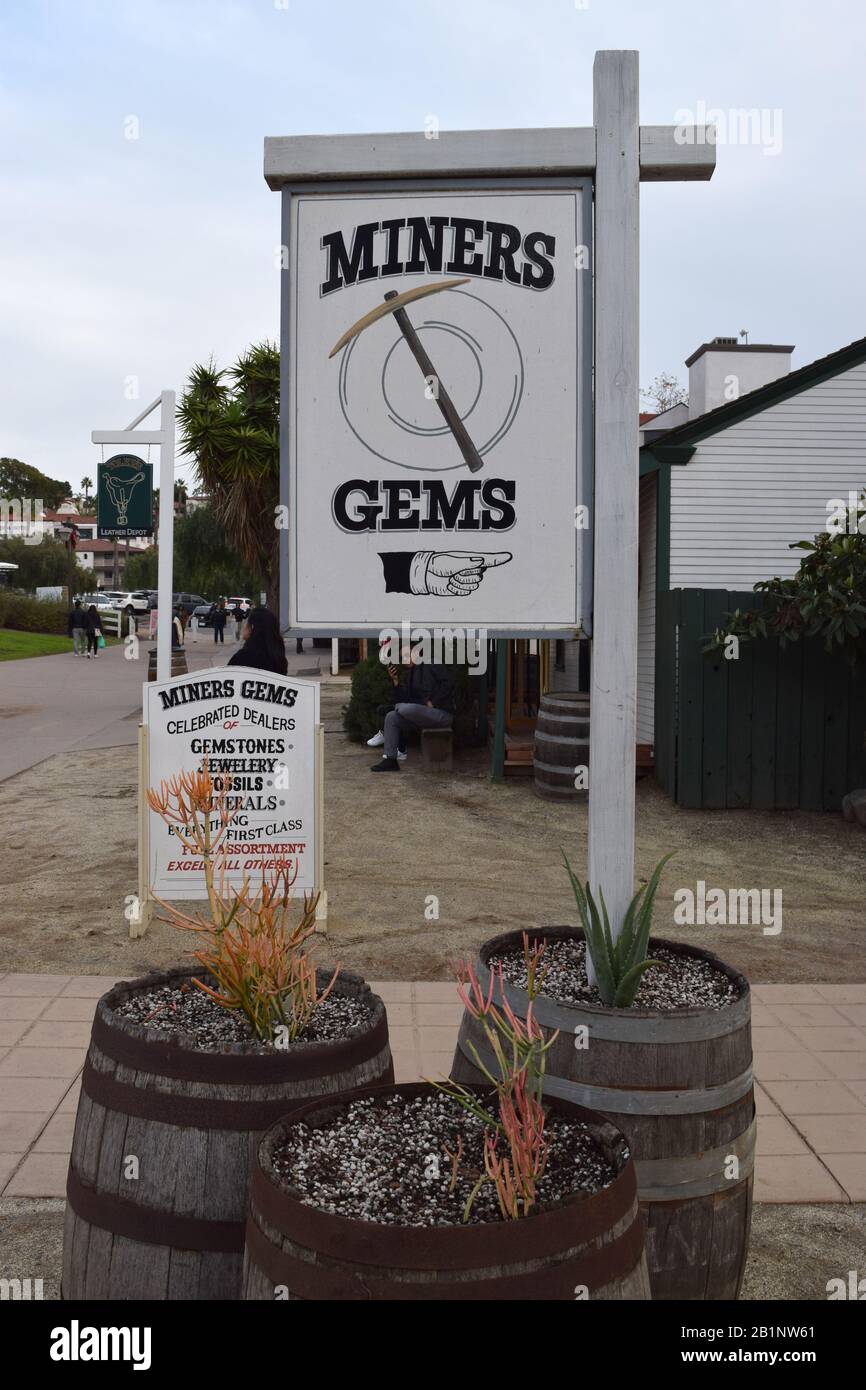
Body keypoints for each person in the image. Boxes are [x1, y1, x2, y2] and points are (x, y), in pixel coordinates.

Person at [371, 655, 454, 772]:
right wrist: (395, 680)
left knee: (405, 709)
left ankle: (392, 708)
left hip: (441, 714)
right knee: (391, 717)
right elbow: (405, 700)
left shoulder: (432, 663)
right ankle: (390, 760)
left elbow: (448, 683)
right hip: (421, 716)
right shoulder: (410, 674)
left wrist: (434, 701)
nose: (403, 659)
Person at [228, 606, 288, 675]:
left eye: (247, 623)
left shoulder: (242, 657)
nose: (244, 626)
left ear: (252, 627)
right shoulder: (278, 657)